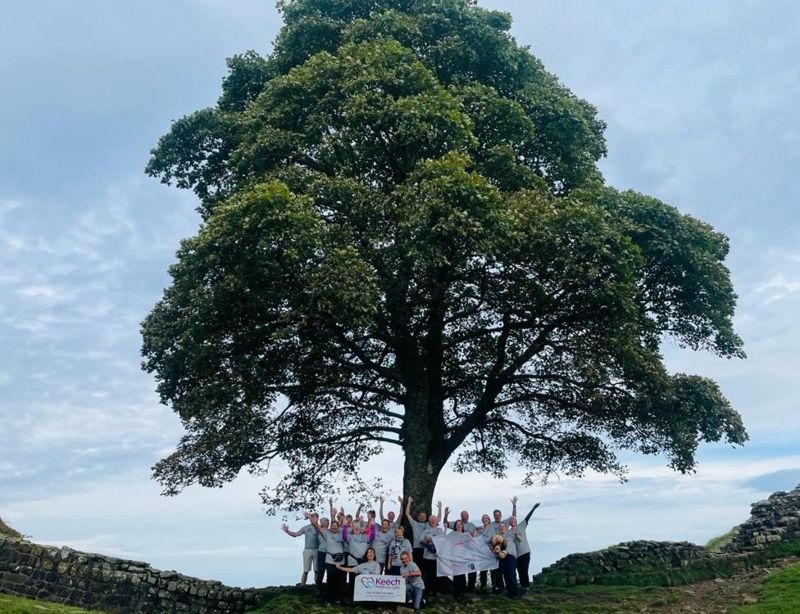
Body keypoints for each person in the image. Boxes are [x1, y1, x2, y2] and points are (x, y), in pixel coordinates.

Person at [309, 514, 346, 604]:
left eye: (336, 527)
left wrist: (343, 522)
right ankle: (328, 599)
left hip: (341, 560)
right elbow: (317, 526)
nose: (334, 528)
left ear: (338, 527)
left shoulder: (342, 535)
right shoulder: (326, 534)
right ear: (330, 527)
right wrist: (312, 519)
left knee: (340, 581)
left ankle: (338, 599)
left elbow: (347, 531)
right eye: (332, 527)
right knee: (330, 580)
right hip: (330, 560)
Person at [510, 497, 540, 594]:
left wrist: (534, 508)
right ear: (510, 523)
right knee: (519, 571)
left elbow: (528, 517)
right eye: (511, 521)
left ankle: (526, 588)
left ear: (516, 521)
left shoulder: (521, 525)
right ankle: (522, 587)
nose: (513, 522)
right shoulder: (508, 532)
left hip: (525, 552)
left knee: (524, 570)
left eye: (514, 520)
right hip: (516, 555)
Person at [281, 513, 319, 586]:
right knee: (305, 570)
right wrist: (287, 531)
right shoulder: (305, 527)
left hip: (317, 549)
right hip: (307, 550)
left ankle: (317, 585)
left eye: (314, 517)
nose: (313, 519)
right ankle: (302, 585)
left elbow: (316, 527)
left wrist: (309, 517)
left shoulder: (319, 527)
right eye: (311, 517)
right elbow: (296, 534)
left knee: (316, 570)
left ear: (317, 518)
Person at [443, 507, 477, 591]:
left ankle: (470, 588)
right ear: (461, 516)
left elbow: (474, 538)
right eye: (463, 515)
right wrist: (446, 514)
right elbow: (445, 524)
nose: (465, 517)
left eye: (466, 515)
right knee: (459, 574)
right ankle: (459, 589)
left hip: (468, 555)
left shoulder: (470, 527)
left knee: (472, 570)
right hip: (457, 556)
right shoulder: (453, 533)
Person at [405, 496, 440, 566]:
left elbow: (437, 520)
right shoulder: (414, 524)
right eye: (420, 515)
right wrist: (409, 502)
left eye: (424, 516)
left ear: (426, 518)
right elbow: (407, 514)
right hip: (417, 548)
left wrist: (439, 508)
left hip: (426, 549)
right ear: (417, 517)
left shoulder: (428, 524)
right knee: (417, 567)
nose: (422, 517)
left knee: (425, 569)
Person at [491, 523, 520, 598]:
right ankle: (509, 592)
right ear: (498, 528)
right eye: (500, 527)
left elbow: (520, 539)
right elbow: (494, 548)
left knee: (511, 574)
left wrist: (517, 535)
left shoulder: (510, 534)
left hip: (510, 555)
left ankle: (515, 593)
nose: (502, 528)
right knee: (506, 574)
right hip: (501, 557)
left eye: (503, 526)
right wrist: (496, 551)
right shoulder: (497, 537)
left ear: (506, 527)